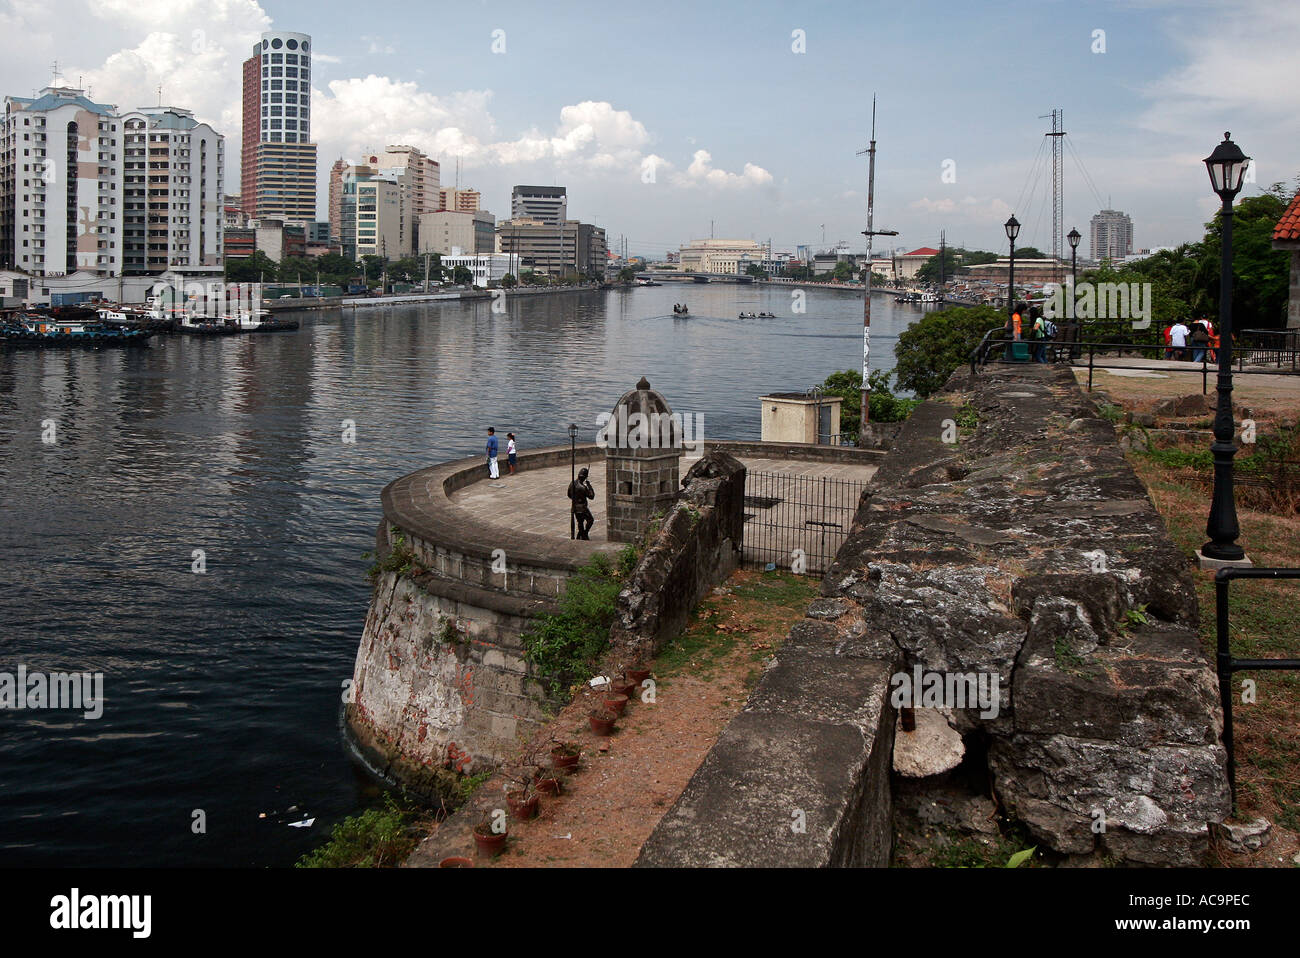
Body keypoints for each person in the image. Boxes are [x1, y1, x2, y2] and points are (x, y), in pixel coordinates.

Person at [568, 467, 595, 539]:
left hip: (575, 507)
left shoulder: (572, 483)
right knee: (590, 520)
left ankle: (580, 535)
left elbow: (569, 494)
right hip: (582, 508)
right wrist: (589, 486)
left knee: (580, 522)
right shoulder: (583, 487)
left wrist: (576, 500)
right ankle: (584, 534)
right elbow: (591, 496)